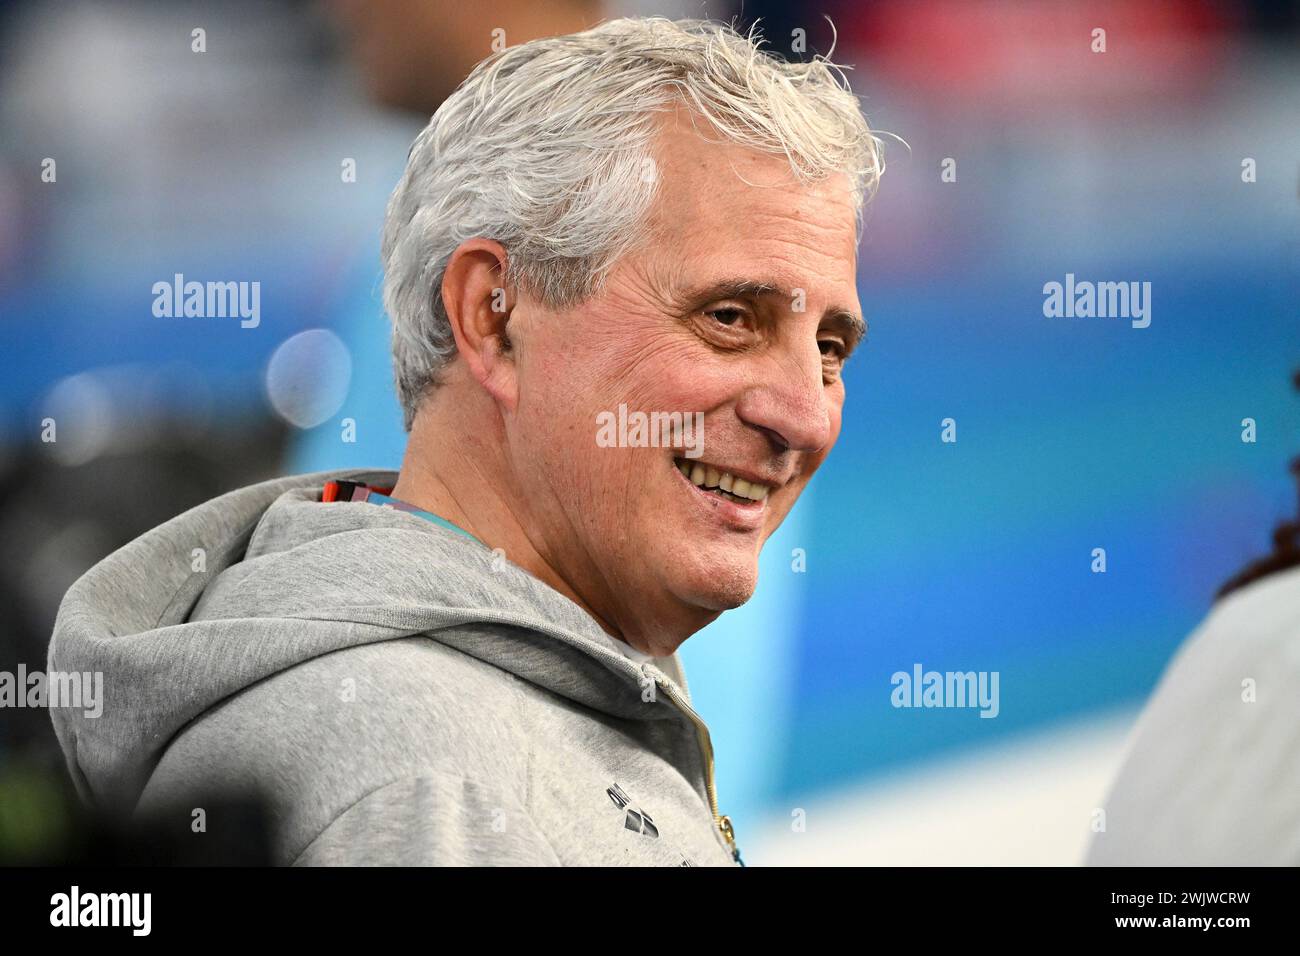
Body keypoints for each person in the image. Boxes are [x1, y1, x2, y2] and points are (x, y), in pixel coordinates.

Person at [47, 17, 885, 866]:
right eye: (730, 318)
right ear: (493, 318)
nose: (806, 417)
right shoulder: (430, 798)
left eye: (829, 350)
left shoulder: (513, 701)